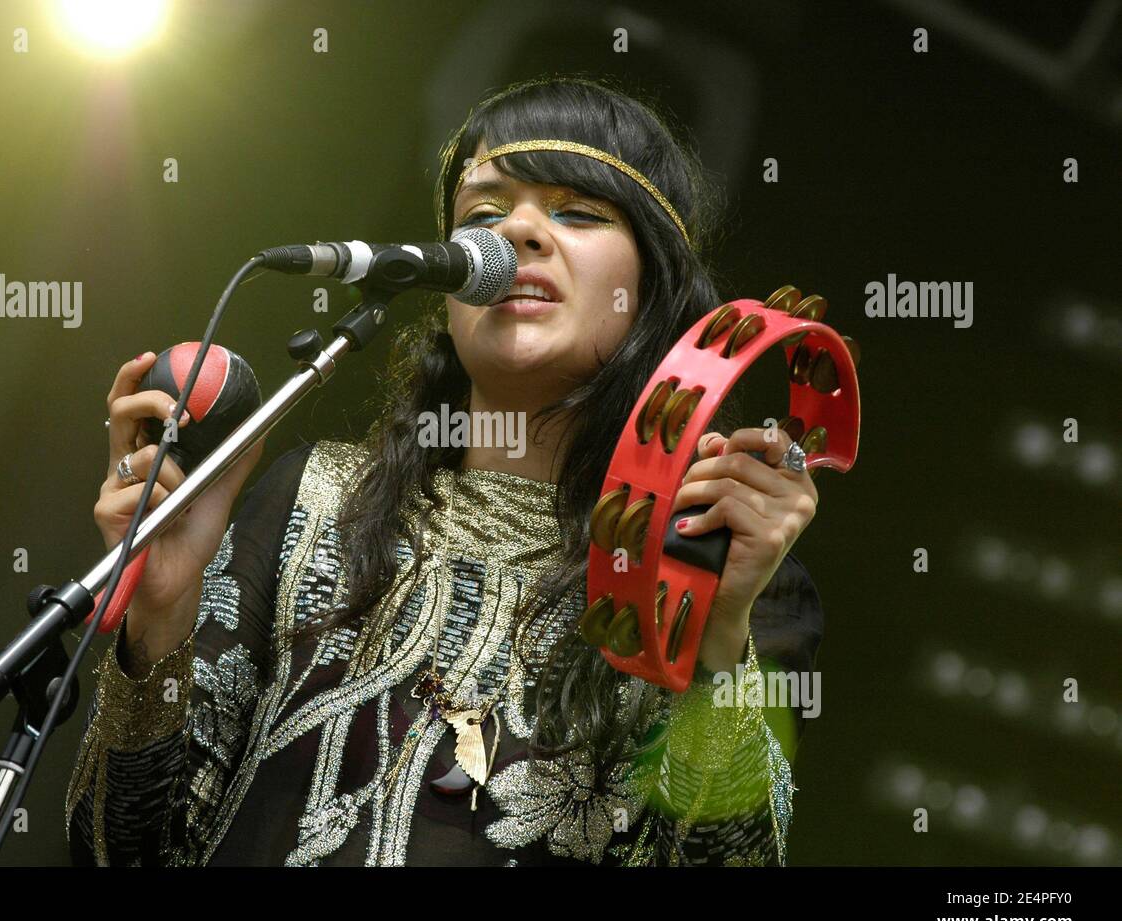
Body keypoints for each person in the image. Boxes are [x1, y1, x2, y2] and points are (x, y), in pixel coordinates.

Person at [66, 75, 824, 867]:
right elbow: (119, 857)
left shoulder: (728, 568)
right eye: (484, 215)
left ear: (655, 290)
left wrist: (721, 634)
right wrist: (161, 613)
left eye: (577, 212)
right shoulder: (311, 499)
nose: (519, 231)